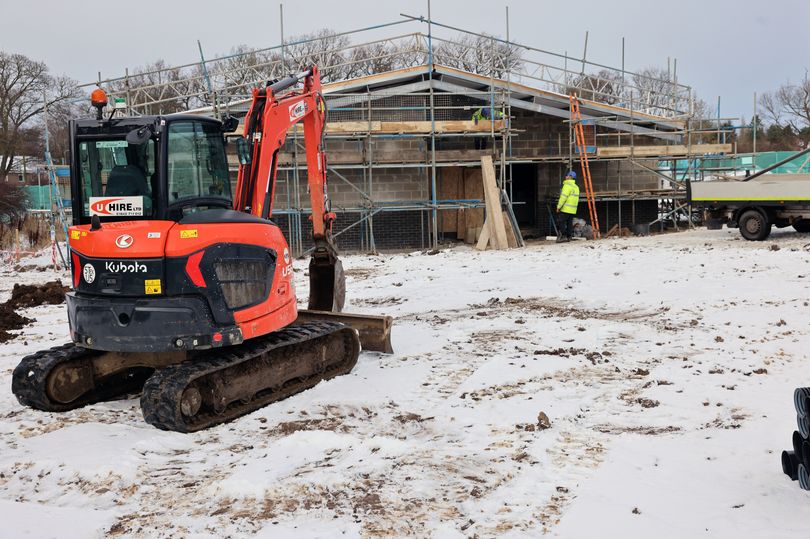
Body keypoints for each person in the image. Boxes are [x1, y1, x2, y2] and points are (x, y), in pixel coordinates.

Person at [556, 171, 580, 242]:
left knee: (561, 222)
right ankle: (569, 236)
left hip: (566, 209)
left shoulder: (567, 186)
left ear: (570, 177)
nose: (565, 177)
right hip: (573, 209)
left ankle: (563, 236)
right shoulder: (576, 187)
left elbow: (563, 198)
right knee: (569, 223)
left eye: (567, 175)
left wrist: (558, 207)